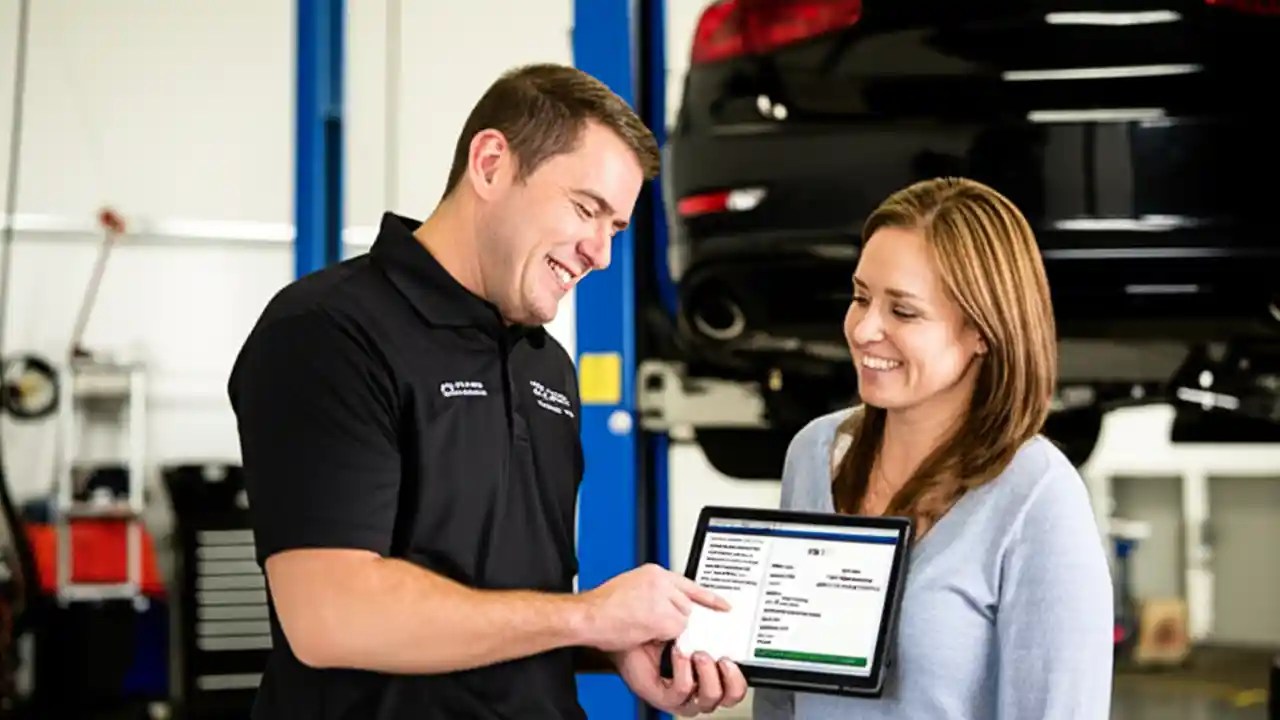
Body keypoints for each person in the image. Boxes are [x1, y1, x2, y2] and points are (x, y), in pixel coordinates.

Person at [227, 63, 746, 720]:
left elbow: (507, 609)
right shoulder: (329, 332)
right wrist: (584, 616)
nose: (600, 253)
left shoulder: (546, 366)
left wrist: (609, 641)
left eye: (614, 228)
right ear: (492, 163)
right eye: (586, 209)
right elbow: (333, 615)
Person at [751, 177, 1114, 719]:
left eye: (904, 311)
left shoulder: (1036, 494)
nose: (865, 328)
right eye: (860, 297)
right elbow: (780, 699)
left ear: (983, 332)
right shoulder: (814, 454)